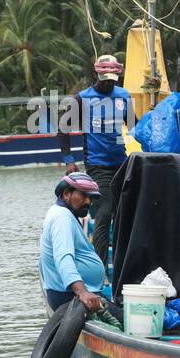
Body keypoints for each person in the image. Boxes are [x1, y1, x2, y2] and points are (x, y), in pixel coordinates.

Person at [59, 55, 133, 267]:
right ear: (96, 75)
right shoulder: (81, 99)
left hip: (122, 164)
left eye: (112, 79)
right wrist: (68, 160)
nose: (108, 83)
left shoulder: (123, 97)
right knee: (104, 213)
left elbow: (135, 128)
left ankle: (122, 265)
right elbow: (62, 131)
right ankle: (99, 270)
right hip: (97, 164)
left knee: (123, 214)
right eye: (105, 79)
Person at [40, 173, 109, 313]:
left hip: (73, 294)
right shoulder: (62, 218)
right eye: (84, 195)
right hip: (70, 297)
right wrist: (82, 292)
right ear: (66, 194)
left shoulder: (61, 213)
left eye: (91, 198)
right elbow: (63, 257)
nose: (88, 202)